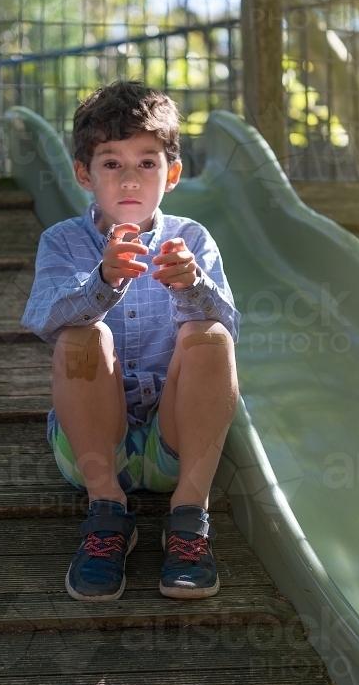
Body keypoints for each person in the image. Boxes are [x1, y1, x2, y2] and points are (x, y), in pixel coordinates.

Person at [22, 80, 240, 602]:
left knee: (209, 336)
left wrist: (192, 284)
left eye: (147, 163)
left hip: (176, 445)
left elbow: (229, 327)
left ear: (172, 174)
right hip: (94, 449)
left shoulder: (192, 239)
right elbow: (43, 317)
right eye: (111, 163)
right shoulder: (64, 241)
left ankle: (188, 517)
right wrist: (102, 280)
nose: (129, 179)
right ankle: (107, 514)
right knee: (80, 335)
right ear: (84, 174)